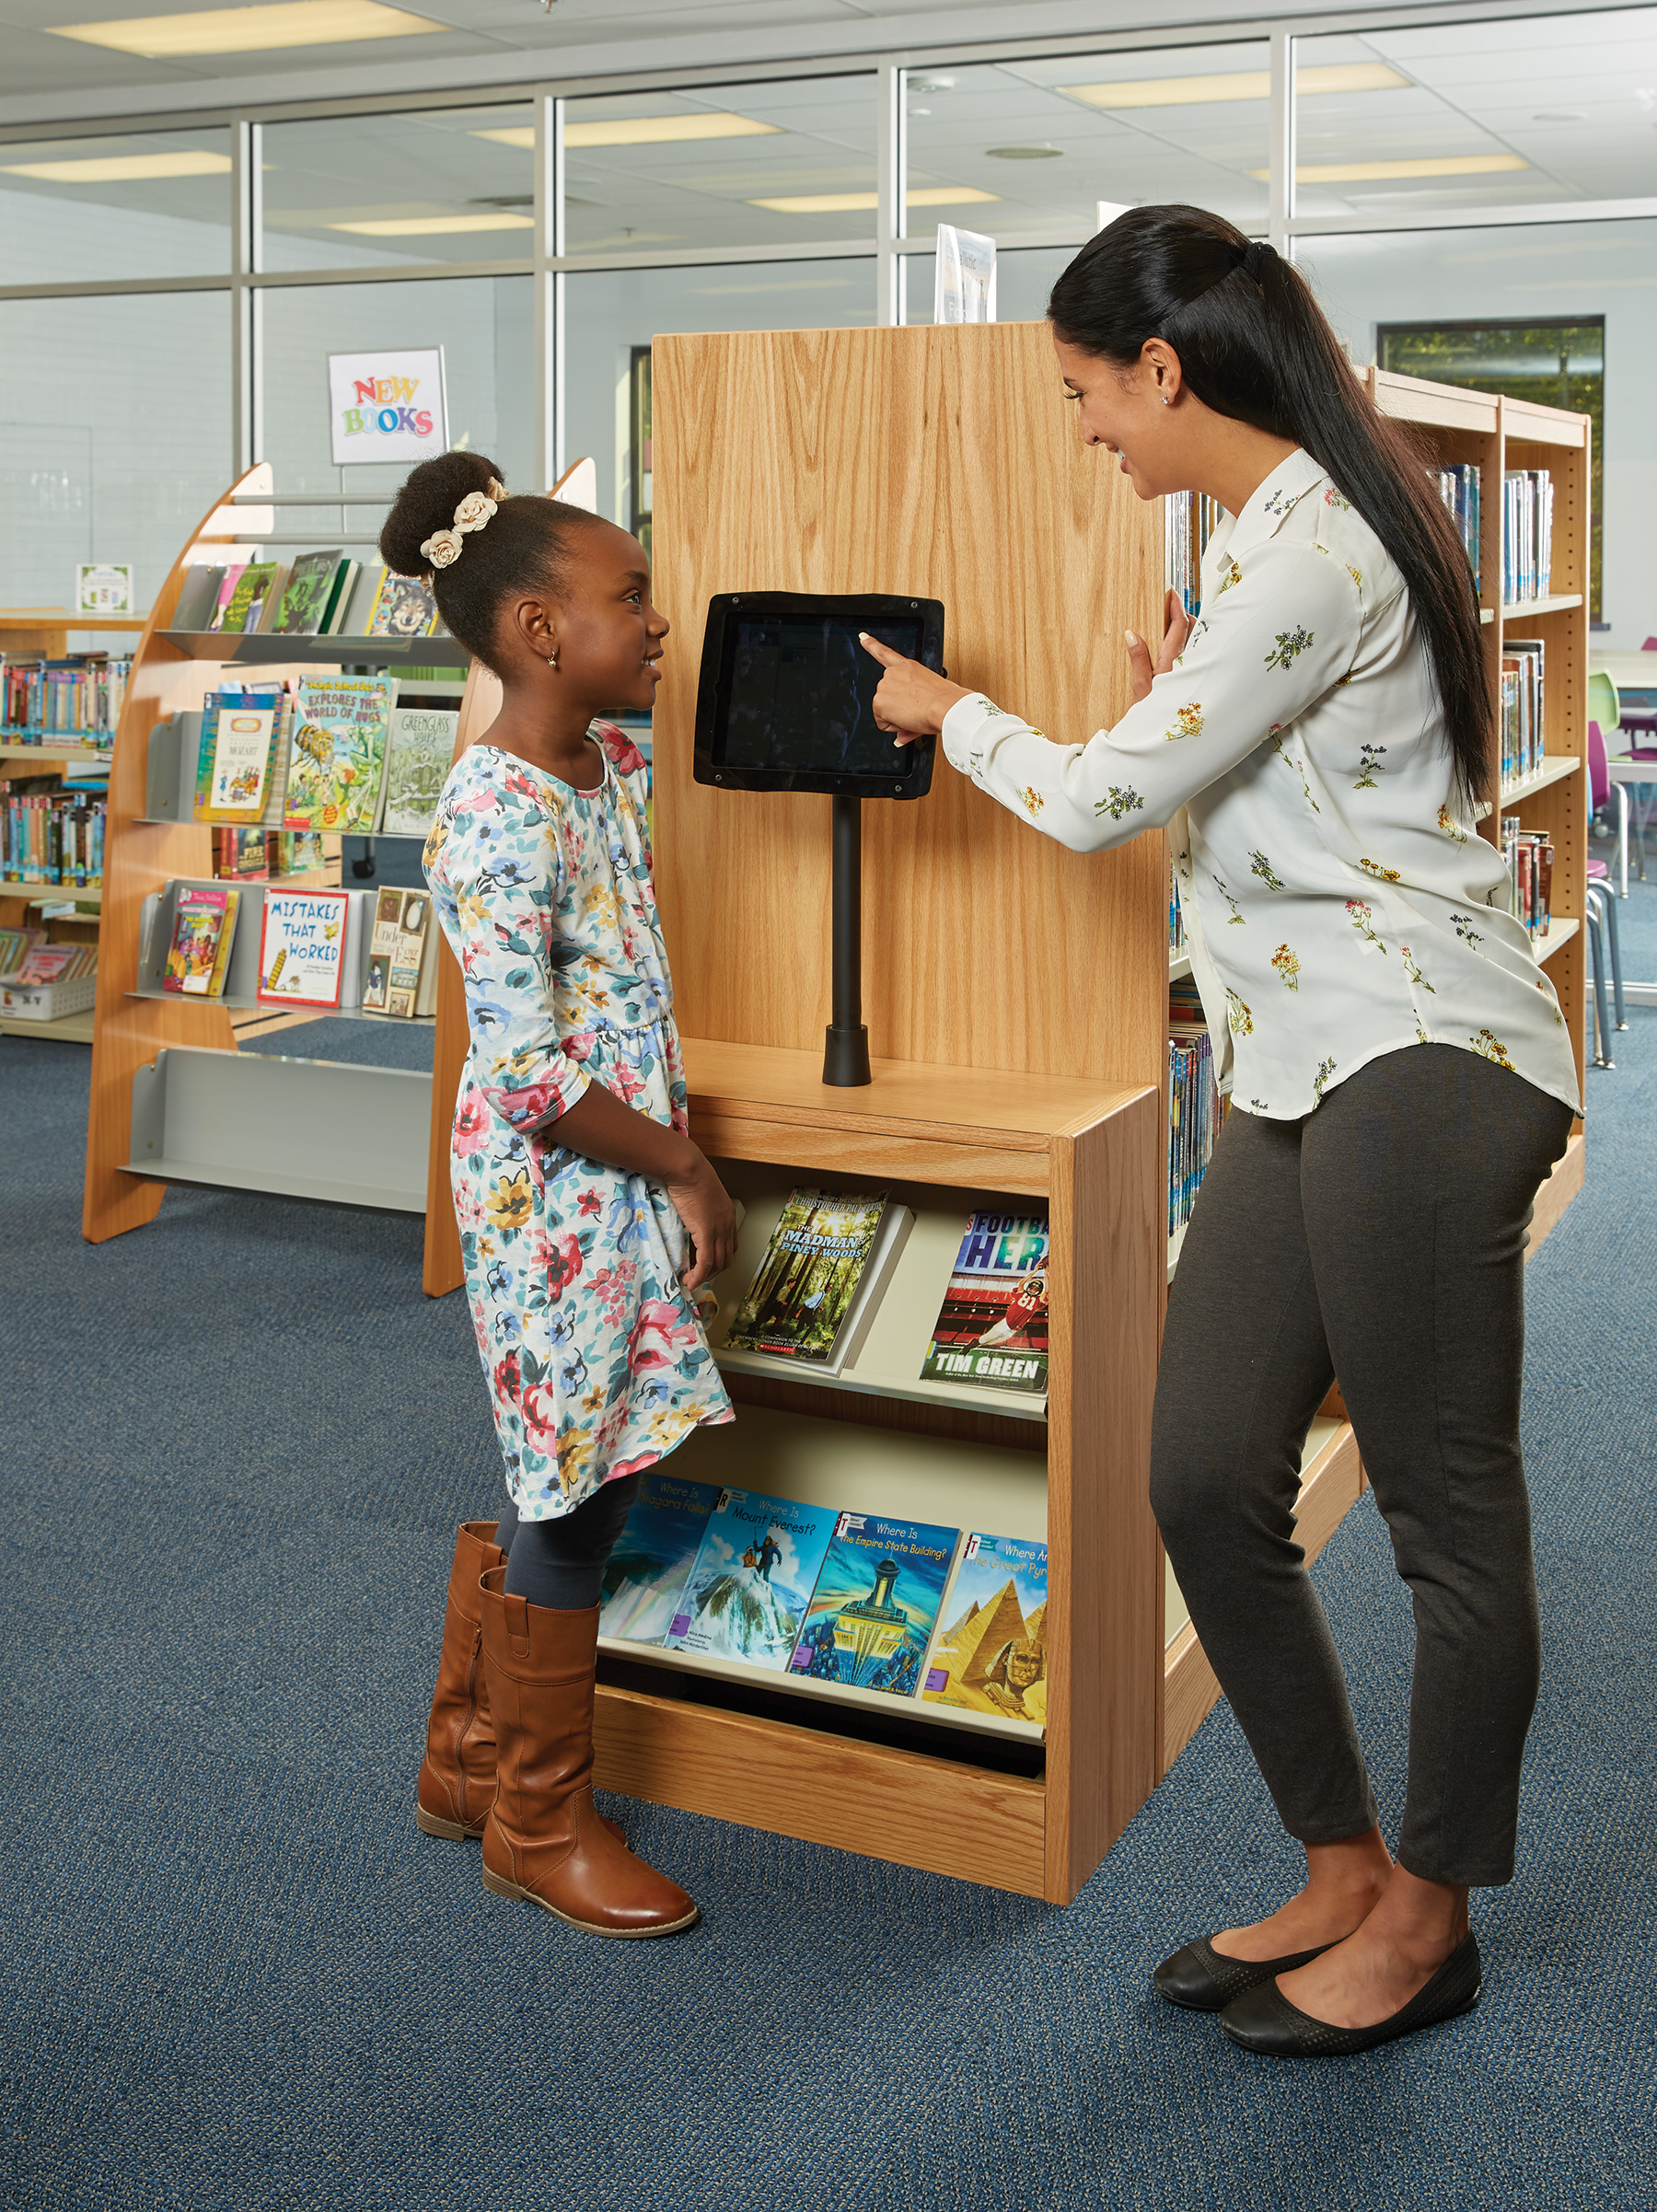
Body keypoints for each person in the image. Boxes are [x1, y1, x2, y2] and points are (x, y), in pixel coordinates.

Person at [861, 203, 1580, 2058]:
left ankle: (1429, 1912)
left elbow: (1104, 801)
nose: (1087, 425)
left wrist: (956, 717)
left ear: (1163, 370)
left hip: (1421, 1054)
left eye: (1088, 389)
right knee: (1199, 1469)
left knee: (1444, 1520)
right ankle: (1339, 1861)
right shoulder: (1275, 533)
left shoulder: (1315, 543)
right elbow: (1259, 784)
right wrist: (1186, 689)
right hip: (1294, 1055)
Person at [388, 450, 737, 1940]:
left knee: (589, 1458)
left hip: (611, 1184)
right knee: (573, 1480)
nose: (660, 622)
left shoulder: (605, 768)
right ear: (536, 630)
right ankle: (538, 1817)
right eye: (631, 599)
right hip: (557, 1191)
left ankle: (472, 1757)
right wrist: (686, 1162)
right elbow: (525, 1073)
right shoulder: (496, 809)